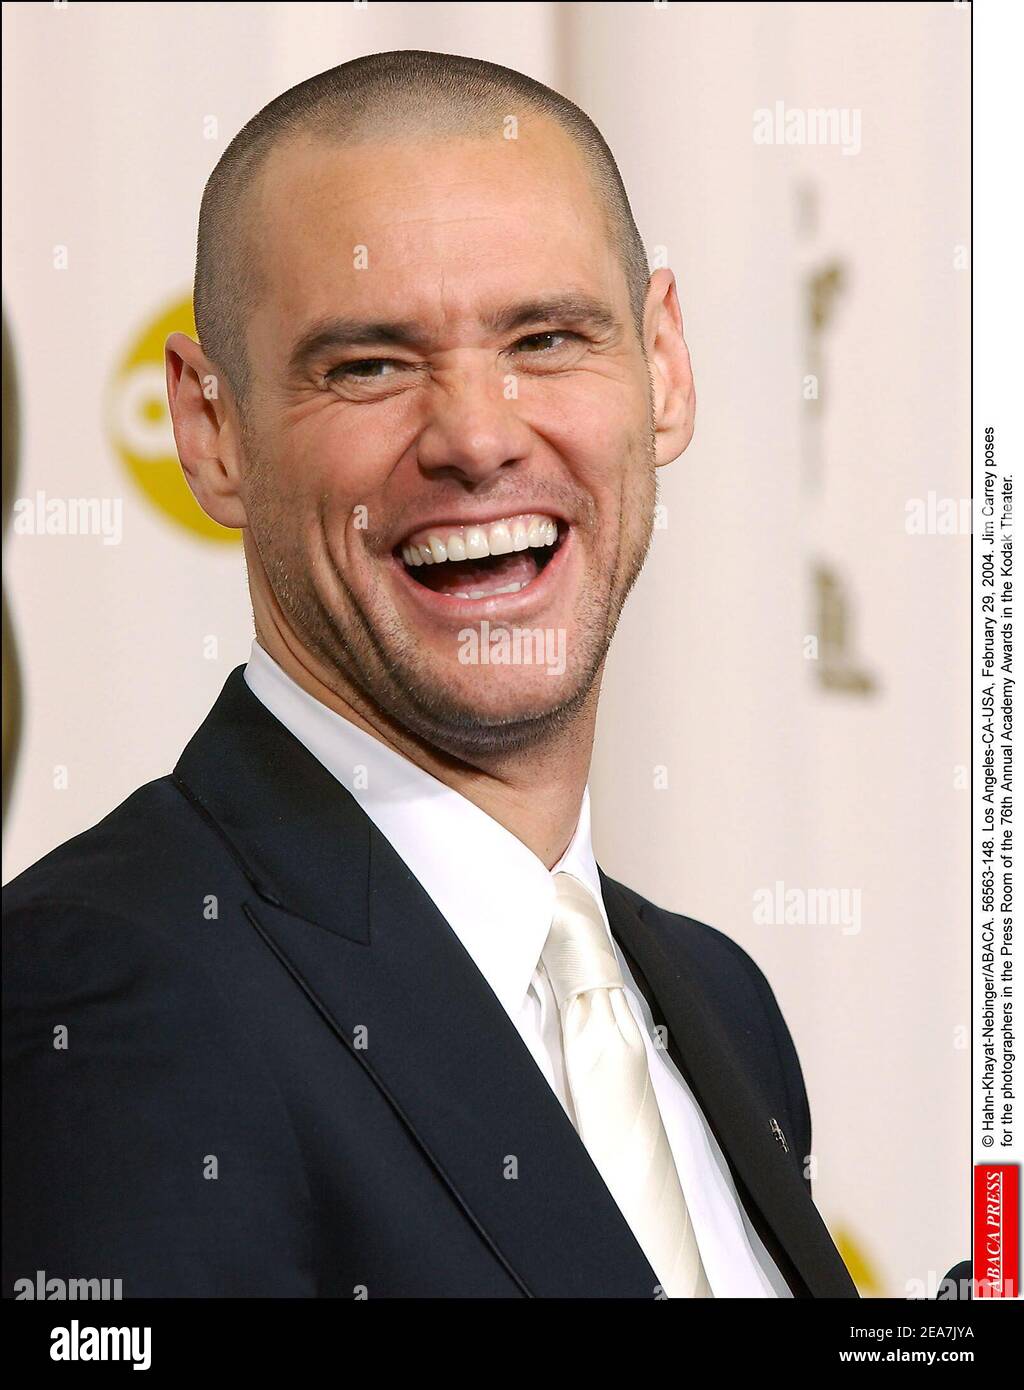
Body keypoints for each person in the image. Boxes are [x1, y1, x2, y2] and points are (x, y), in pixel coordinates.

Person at [2, 50, 856, 1299]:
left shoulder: (718, 1002)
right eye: (368, 366)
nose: (476, 434)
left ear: (661, 366)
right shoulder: (106, 997)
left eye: (547, 337)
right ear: (211, 429)